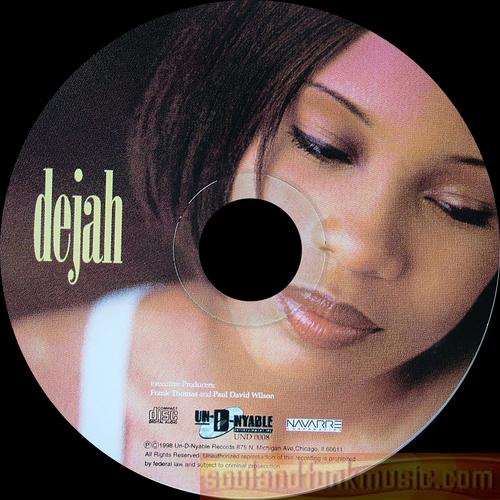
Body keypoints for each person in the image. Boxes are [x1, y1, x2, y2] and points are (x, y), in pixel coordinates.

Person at [11, 1, 499, 497]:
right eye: (322, 145)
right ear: (236, 117)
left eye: (461, 207)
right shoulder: (52, 377)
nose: (360, 248)